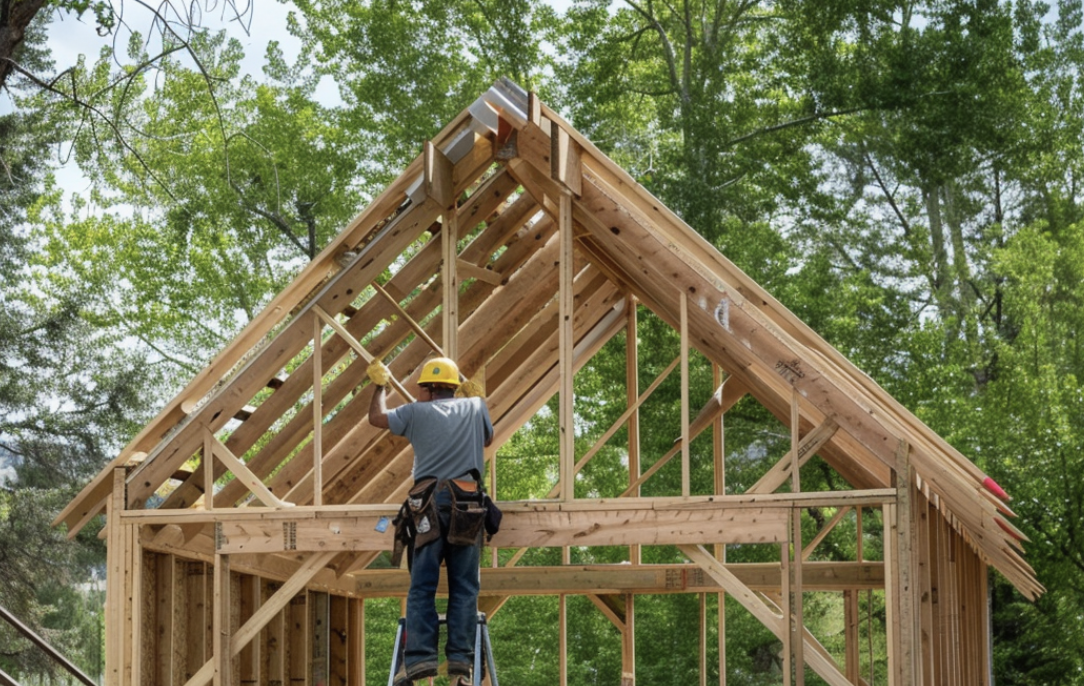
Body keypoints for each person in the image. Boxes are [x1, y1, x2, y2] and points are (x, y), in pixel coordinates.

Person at [368, 356, 494, 686]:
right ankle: (460, 669)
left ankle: (419, 663)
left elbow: (376, 418)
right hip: (466, 503)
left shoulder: (414, 411)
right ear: (455, 387)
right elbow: (487, 439)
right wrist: (474, 401)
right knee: (465, 588)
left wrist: (380, 386)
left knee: (422, 586)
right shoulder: (475, 407)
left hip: (426, 505)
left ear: (426, 389)